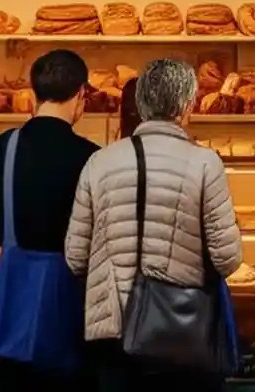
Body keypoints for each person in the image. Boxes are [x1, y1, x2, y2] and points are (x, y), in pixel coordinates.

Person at [65, 58, 242, 392]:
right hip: (180, 333)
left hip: (112, 335)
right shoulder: (205, 163)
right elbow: (227, 260)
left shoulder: (99, 162)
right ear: (187, 104)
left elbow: (75, 257)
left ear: (141, 103)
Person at [0, 49, 100, 392]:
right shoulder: (91, 156)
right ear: (80, 95)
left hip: (13, 296)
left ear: (34, 92)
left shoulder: (4, 146)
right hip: (70, 302)